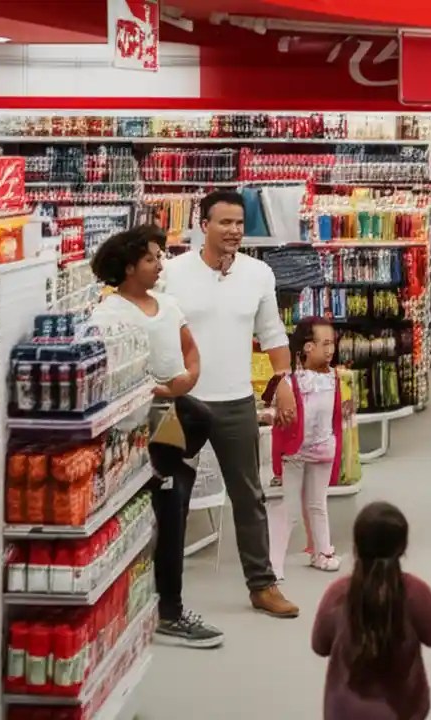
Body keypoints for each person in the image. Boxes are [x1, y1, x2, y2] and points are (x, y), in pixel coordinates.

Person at [161, 189, 300, 618]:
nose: (234, 230)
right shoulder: (171, 272)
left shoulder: (259, 274)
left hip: (237, 400)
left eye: (239, 223)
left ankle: (263, 585)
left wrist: (283, 380)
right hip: (183, 402)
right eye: (225, 222)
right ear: (203, 225)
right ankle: (160, 592)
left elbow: (272, 331)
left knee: (249, 496)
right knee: (171, 496)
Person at [88, 225, 224, 648]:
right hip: (137, 429)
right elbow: (108, 375)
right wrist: (154, 389)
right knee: (166, 513)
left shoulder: (167, 304)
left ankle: (167, 607)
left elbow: (190, 350)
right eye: (151, 258)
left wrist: (187, 379)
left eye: (159, 256)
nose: (160, 264)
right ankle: (169, 611)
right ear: (129, 267)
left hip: (174, 419)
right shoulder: (108, 315)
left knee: (175, 509)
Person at [312, 502, 431, 720]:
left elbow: (319, 646)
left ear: (356, 546)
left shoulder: (337, 594)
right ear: (403, 547)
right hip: (403, 711)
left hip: (344, 711)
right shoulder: (416, 593)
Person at [264, 316, 347, 581]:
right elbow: (273, 409)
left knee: (318, 504)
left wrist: (338, 444)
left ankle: (322, 551)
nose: (331, 349)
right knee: (289, 510)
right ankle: (274, 563)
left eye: (332, 343)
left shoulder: (334, 377)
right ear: (308, 348)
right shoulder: (290, 382)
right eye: (325, 343)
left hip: (323, 449)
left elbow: (336, 415)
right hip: (295, 452)